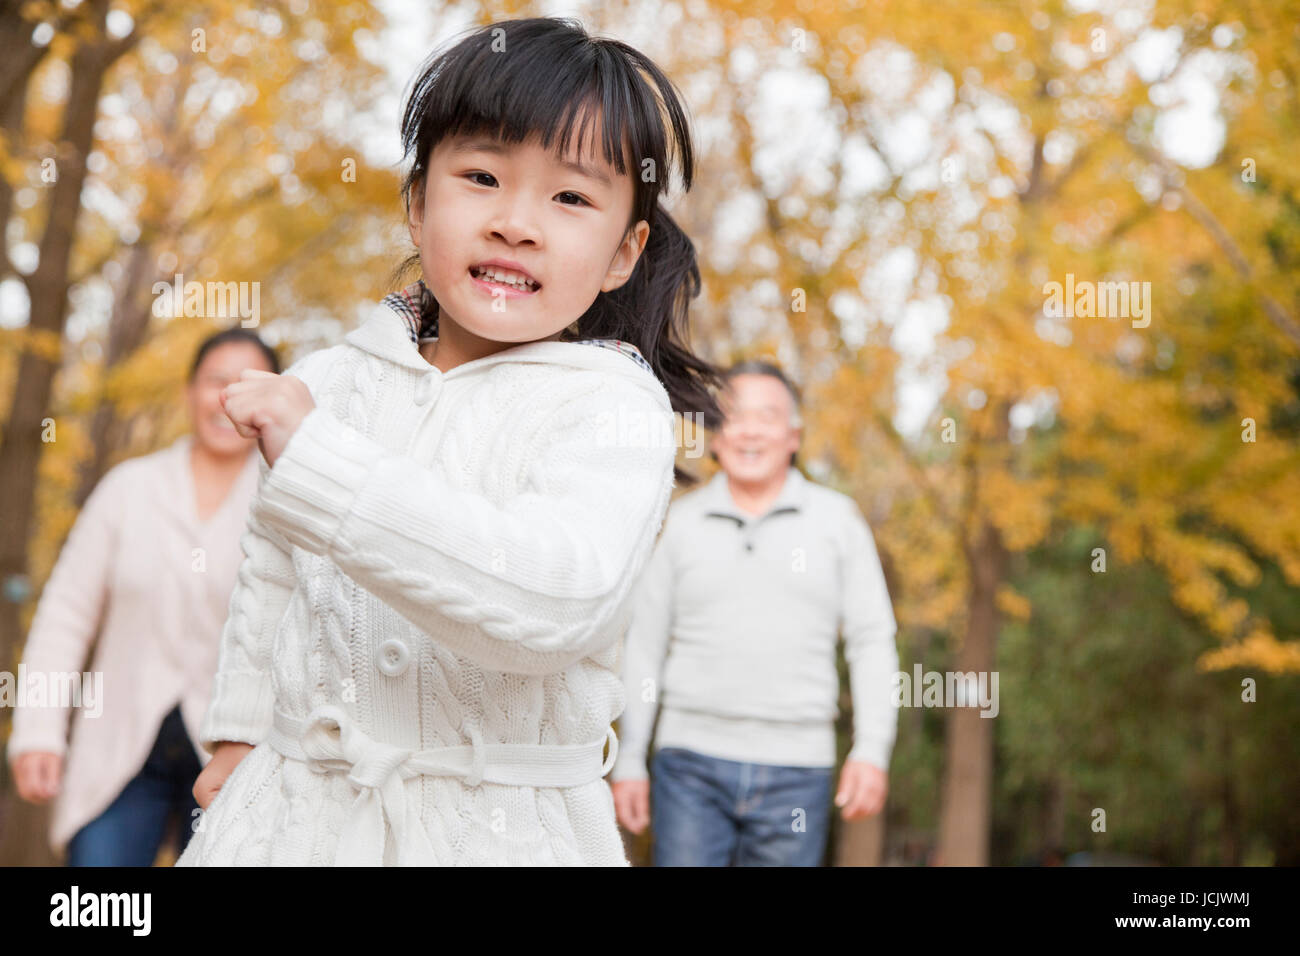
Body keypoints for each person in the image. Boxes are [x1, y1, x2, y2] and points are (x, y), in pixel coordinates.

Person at [176, 16, 724, 867]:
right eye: (480, 176)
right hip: (295, 819)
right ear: (416, 202)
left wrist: (322, 465)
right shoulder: (333, 379)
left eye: (570, 197)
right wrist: (238, 734)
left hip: (503, 829)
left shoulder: (614, 409)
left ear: (624, 252)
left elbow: (550, 601)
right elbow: (272, 572)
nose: (516, 222)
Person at [610, 360, 900, 866]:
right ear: (715, 437)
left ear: (793, 436)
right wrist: (631, 754)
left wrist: (871, 750)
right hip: (688, 766)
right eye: (733, 417)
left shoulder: (839, 523)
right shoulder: (679, 522)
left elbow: (872, 640)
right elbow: (644, 644)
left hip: (799, 769)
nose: (749, 431)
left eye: (766, 416)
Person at [7, 327, 280, 865]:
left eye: (247, 383)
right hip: (119, 749)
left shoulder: (287, 498)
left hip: (241, 756)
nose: (228, 397)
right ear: (189, 393)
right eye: (215, 381)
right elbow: (65, 614)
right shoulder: (128, 488)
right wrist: (38, 729)